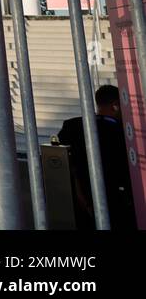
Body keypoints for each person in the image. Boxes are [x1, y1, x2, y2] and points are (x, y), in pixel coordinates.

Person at [56, 84, 137, 229]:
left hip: (80, 202)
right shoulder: (123, 133)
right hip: (116, 204)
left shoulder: (72, 126)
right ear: (116, 106)